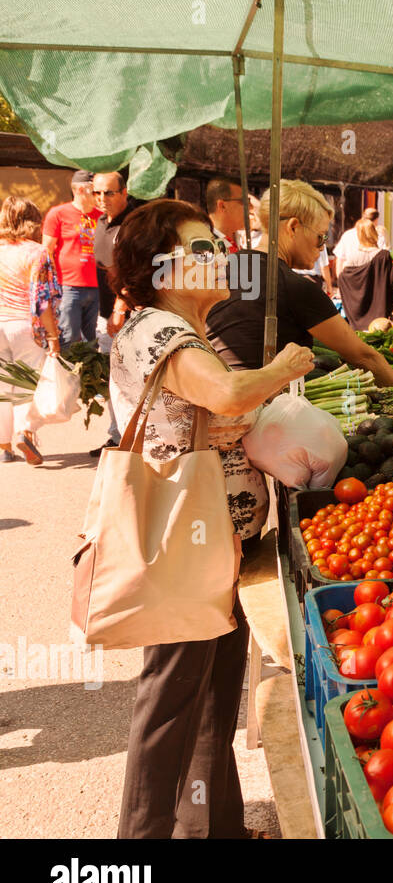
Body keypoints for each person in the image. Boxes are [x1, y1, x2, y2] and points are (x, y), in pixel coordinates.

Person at [107, 198, 317, 838]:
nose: (218, 256)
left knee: (213, 698)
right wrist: (281, 369)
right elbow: (224, 394)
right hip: (185, 543)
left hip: (220, 541)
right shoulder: (158, 331)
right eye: (200, 249)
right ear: (160, 269)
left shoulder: (186, 331)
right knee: (170, 701)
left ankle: (212, 826)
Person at [206, 180, 393, 386]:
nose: (322, 247)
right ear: (293, 227)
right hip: (264, 406)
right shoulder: (294, 286)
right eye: (321, 237)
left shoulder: (224, 266)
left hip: (216, 393)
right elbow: (364, 357)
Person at [0, 197, 61, 465]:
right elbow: (42, 300)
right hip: (25, 326)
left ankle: (3, 447)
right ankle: (26, 433)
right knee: (26, 385)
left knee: (3, 387)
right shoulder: (37, 253)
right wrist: (53, 336)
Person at [91, 169, 138, 455]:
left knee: (128, 380)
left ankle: (130, 438)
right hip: (105, 313)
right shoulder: (100, 222)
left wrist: (120, 307)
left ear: (124, 192)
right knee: (114, 380)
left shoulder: (132, 225)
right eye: (97, 192)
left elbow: (132, 271)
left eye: (109, 192)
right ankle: (117, 435)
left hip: (127, 315)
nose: (102, 198)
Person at [43, 169, 102, 347]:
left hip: (97, 286)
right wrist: (51, 285)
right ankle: (66, 373)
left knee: (92, 340)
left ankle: (88, 374)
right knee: (68, 337)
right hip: (68, 286)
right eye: (95, 190)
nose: (99, 196)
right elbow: (46, 250)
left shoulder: (102, 216)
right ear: (79, 190)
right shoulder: (58, 213)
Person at [336, 218, 393, 328]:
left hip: (357, 317)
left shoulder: (353, 256)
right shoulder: (384, 256)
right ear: (374, 233)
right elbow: (391, 282)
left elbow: (342, 278)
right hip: (380, 314)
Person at [204, 177, 249, 251]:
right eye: (243, 201)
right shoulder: (202, 244)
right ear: (222, 206)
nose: (250, 207)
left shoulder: (239, 239)